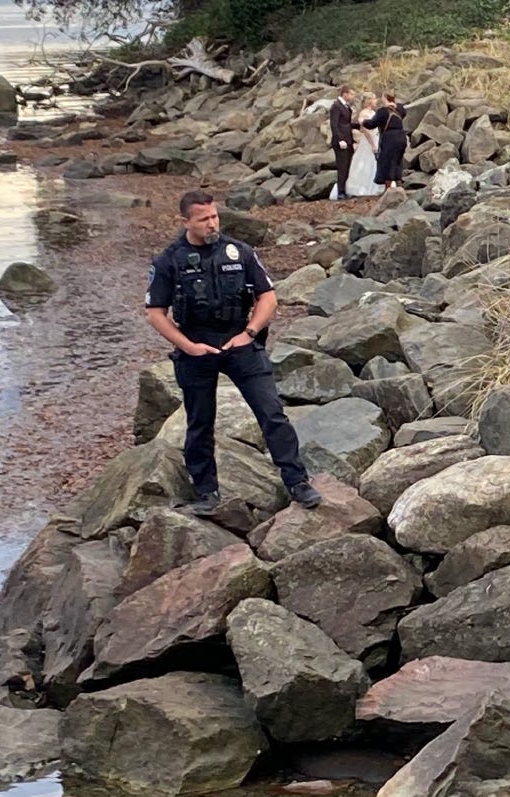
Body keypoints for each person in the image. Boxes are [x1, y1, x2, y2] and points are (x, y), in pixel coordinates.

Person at [144, 191, 322, 514]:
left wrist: (249, 332)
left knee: (272, 413)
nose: (212, 224)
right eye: (203, 219)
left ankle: (297, 482)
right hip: (196, 346)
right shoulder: (168, 260)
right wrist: (188, 347)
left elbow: (268, 298)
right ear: (185, 221)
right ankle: (206, 491)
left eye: (214, 216)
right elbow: (155, 312)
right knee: (200, 422)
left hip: (240, 341)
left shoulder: (239, 252)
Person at [363, 92, 407, 188]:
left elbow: (371, 124)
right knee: (398, 161)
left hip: (390, 139)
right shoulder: (399, 109)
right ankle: (399, 185)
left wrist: (363, 121)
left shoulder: (382, 111)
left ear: (385, 98)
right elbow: (404, 111)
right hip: (401, 137)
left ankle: (388, 188)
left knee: (387, 162)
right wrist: (395, 104)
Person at [346, 93, 386, 198]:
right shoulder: (363, 113)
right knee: (367, 162)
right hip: (369, 141)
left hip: (377, 137)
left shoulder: (374, 112)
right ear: (369, 101)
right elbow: (365, 129)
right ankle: (364, 187)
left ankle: (377, 185)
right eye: (374, 99)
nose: (376, 101)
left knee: (376, 162)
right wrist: (372, 144)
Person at [329, 85, 358, 198]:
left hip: (348, 140)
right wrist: (340, 139)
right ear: (344, 94)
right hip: (341, 141)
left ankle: (345, 189)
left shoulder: (346, 106)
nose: (352, 96)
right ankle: (340, 191)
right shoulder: (336, 106)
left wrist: (358, 125)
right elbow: (334, 124)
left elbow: (346, 123)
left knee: (348, 166)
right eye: (351, 94)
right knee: (342, 166)